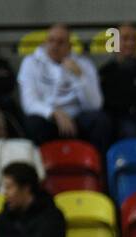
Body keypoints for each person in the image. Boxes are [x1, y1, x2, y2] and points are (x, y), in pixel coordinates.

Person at [17, 24, 112, 152]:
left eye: (61, 42)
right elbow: (29, 103)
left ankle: (96, 169)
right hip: (48, 118)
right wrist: (54, 113)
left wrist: (80, 77)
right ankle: (41, 170)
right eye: (51, 41)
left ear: (69, 46)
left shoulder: (84, 64)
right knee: (32, 123)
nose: (55, 46)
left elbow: (95, 105)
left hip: (76, 118)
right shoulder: (31, 62)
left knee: (101, 121)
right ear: (45, 42)